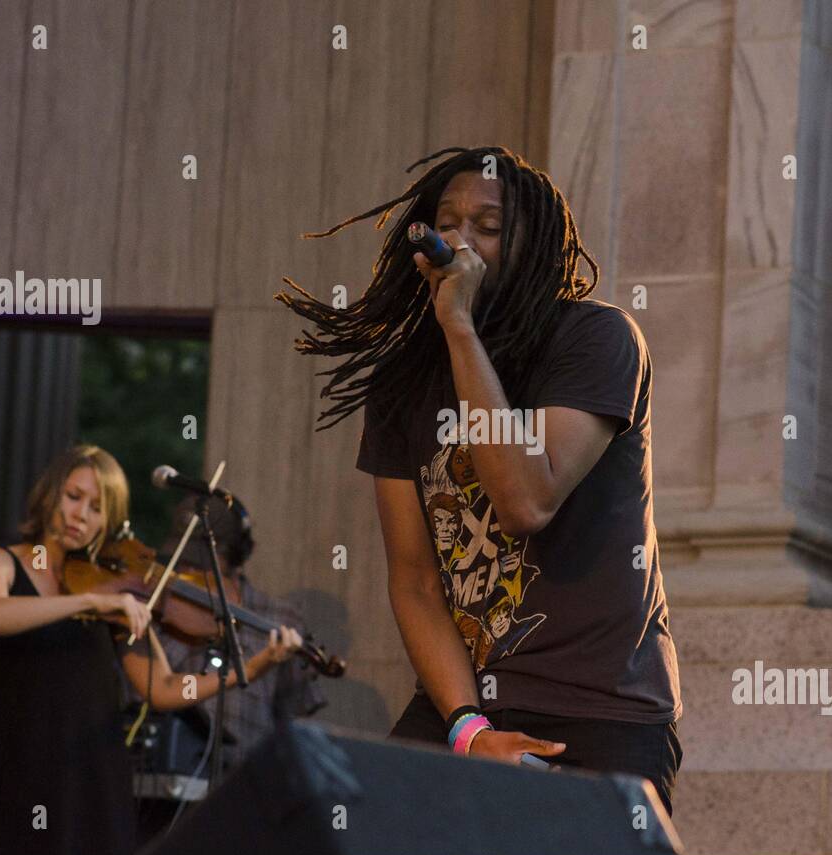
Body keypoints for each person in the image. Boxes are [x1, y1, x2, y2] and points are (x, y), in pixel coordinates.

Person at [277, 145, 682, 814]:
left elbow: (526, 500)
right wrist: (468, 729)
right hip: (464, 707)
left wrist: (460, 328)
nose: (460, 240)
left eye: (487, 227)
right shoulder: (405, 381)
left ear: (533, 244)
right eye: (447, 222)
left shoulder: (596, 338)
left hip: (598, 710)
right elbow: (414, 580)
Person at [0, 444, 302, 855]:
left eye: (98, 508)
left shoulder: (114, 589)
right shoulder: (1, 562)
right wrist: (88, 602)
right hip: (6, 762)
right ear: (50, 493)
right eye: (73, 496)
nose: (81, 515)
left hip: (85, 776)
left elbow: (163, 688)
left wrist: (250, 669)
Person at [156, 495, 326, 770]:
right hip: (167, 773)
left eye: (202, 562)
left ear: (238, 555)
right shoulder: (161, 605)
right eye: (184, 558)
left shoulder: (279, 618)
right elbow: (144, 692)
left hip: (247, 776)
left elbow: (293, 721)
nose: (189, 569)